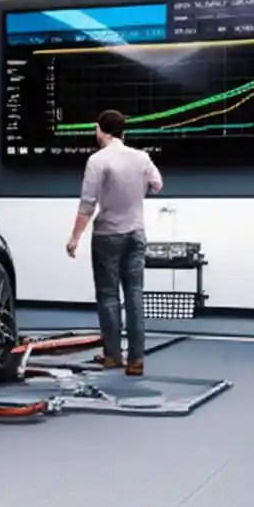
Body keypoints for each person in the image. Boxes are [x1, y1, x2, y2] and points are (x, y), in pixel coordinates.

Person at [66, 109, 162, 376]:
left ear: (100, 130)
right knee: (134, 295)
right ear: (124, 132)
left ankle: (112, 356)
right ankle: (136, 361)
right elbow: (157, 184)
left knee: (108, 296)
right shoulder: (141, 157)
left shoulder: (97, 161)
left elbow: (88, 204)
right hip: (136, 234)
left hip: (107, 235)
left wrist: (75, 237)